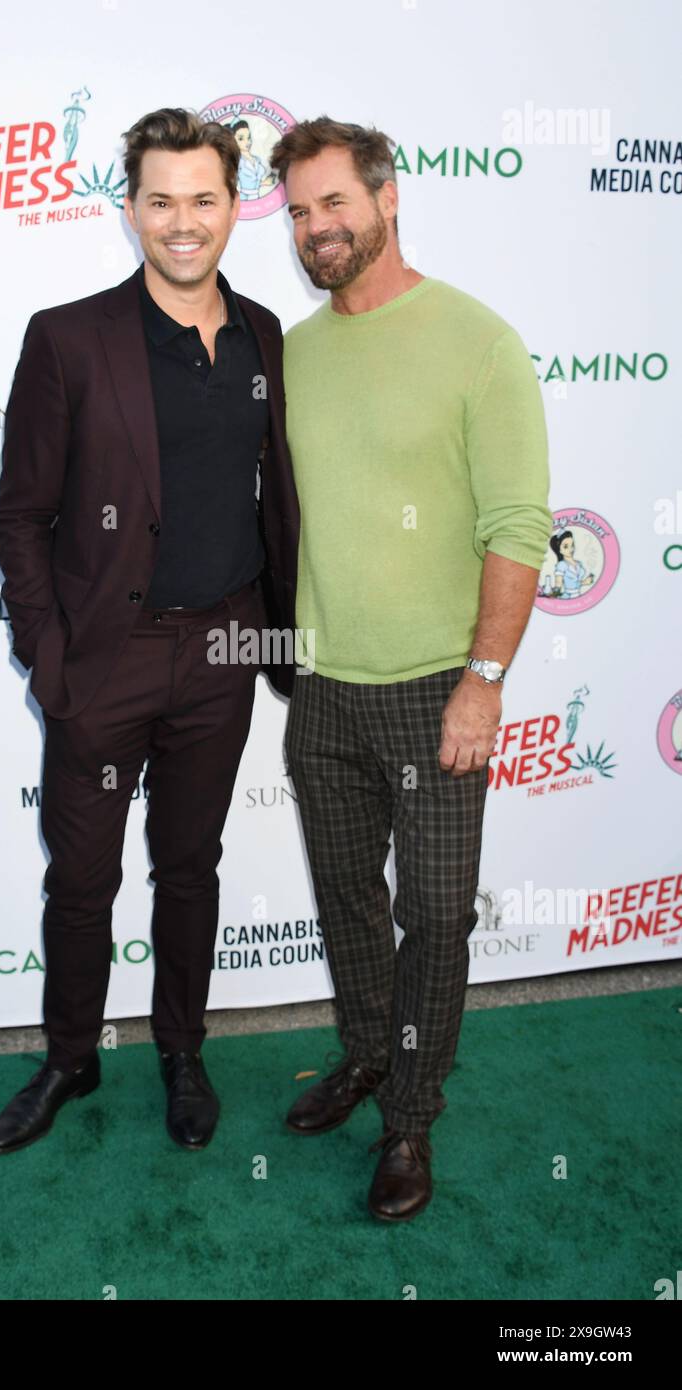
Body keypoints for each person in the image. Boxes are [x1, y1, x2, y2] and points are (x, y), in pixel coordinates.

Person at [0, 107, 299, 1157]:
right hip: (103, 662)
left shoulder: (263, 333)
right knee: (81, 878)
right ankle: (71, 1056)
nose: (181, 220)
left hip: (224, 651)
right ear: (131, 209)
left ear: (229, 207)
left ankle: (180, 1050)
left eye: (202, 198)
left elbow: (277, 499)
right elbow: (20, 515)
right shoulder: (67, 338)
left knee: (190, 866)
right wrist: (49, 653)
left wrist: (278, 638)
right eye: (159, 199)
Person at [268, 116, 552, 1221]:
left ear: (387, 198)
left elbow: (518, 526)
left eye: (331, 202)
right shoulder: (290, 353)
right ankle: (364, 1053)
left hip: (438, 687)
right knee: (345, 897)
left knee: (433, 917)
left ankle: (410, 1117)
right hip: (322, 688)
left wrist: (483, 677)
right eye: (295, 211)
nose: (313, 228)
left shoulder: (477, 340)